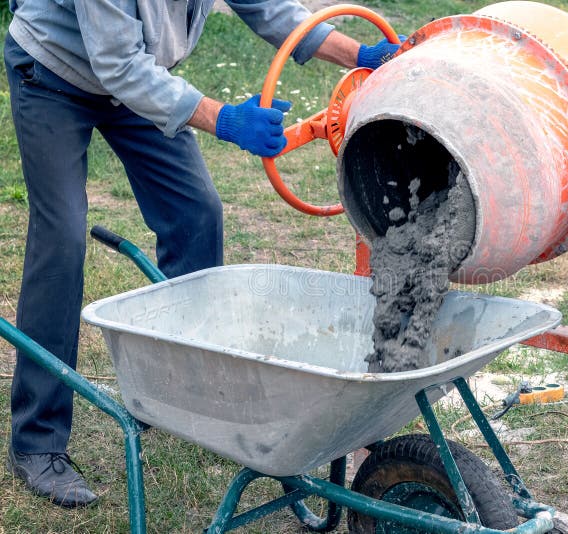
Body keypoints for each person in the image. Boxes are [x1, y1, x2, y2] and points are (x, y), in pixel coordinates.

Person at [4, 0, 401, 508]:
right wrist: (227, 120)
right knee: (61, 241)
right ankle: (37, 443)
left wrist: (361, 54)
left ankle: (176, 395)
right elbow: (117, 65)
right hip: (54, 74)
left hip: (140, 79)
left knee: (197, 215)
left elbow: (267, 9)